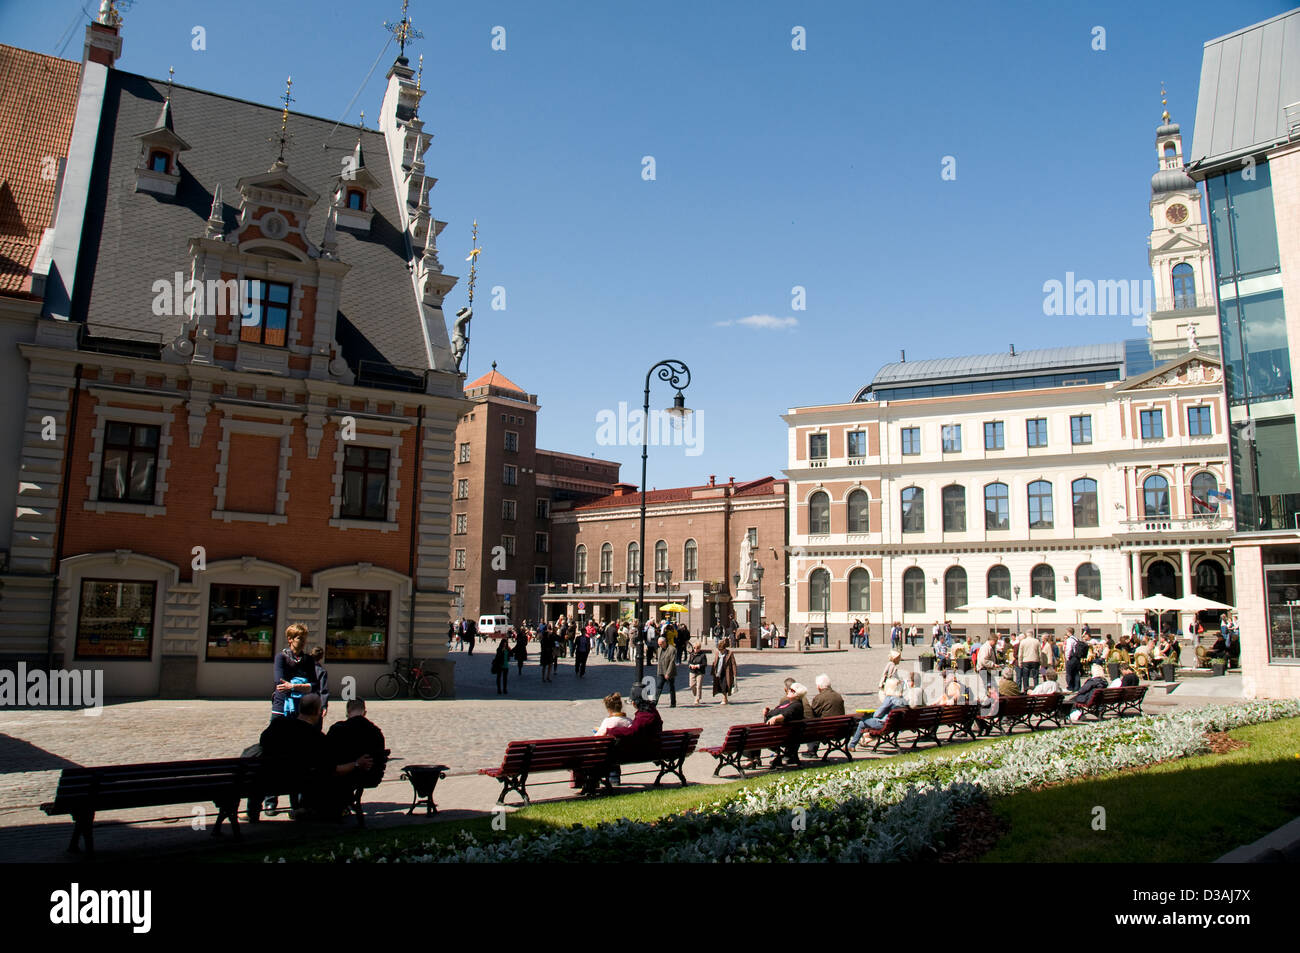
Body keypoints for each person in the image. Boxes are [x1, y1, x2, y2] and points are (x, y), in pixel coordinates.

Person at [258, 693, 372, 819]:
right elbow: (331, 769)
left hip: (270, 778)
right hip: (302, 779)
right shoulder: (318, 739)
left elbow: (262, 744)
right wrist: (356, 764)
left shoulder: (278, 724)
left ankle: (254, 812)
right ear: (318, 712)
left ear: (299, 708)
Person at [326, 699, 387, 794]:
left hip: (344, 774)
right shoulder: (376, 732)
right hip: (371, 777)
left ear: (347, 712)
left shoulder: (338, 730)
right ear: (365, 712)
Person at [849, 677, 907, 748]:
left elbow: (877, 714)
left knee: (862, 722)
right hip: (896, 725)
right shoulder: (903, 699)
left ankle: (852, 745)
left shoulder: (890, 698)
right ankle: (864, 739)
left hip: (884, 724)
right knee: (867, 721)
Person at [594, 692, 633, 786]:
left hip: (611, 753)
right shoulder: (628, 721)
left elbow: (597, 739)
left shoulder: (607, 722)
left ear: (609, 709)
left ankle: (596, 779)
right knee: (616, 747)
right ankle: (615, 778)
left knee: (607, 750)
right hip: (627, 753)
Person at [712, 638, 737, 703]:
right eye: (719, 650)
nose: (721, 651)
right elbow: (715, 662)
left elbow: (733, 663)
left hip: (727, 672)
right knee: (720, 685)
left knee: (725, 685)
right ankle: (725, 698)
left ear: (724, 648)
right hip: (719, 672)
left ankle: (724, 698)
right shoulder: (718, 653)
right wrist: (713, 671)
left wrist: (735, 673)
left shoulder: (729, 653)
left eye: (722, 650)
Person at [309, 646, 330, 723]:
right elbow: (323, 690)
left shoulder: (303, 667)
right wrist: (324, 706)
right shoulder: (321, 671)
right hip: (316, 702)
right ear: (321, 657)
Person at [654, 636, 677, 707]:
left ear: (664, 642)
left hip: (669, 671)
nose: (659, 645)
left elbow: (672, 662)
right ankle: (654, 703)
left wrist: (668, 673)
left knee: (671, 687)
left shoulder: (672, 649)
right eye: (659, 644)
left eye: (661, 644)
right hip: (661, 671)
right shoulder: (659, 649)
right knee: (658, 687)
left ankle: (673, 703)